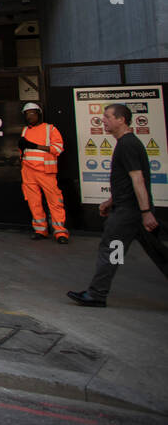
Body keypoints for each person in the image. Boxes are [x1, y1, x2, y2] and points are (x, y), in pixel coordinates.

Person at [69, 103, 158, 306]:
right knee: (158, 251)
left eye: (108, 117)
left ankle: (97, 294)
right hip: (131, 210)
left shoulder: (127, 144)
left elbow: (138, 180)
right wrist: (111, 201)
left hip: (128, 214)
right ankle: (99, 290)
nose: (103, 121)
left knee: (111, 249)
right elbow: (127, 182)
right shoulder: (127, 143)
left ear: (121, 120)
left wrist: (145, 212)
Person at [18, 101, 67, 243]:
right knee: (34, 202)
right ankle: (40, 230)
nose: (29, 117)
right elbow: (23, 152)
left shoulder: (50, 129)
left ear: (39, 114)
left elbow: (58, 149)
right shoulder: (25, 130)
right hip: (28, 172)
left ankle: (60, 232)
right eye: (27, 114)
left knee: (55, 202)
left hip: (46, 172)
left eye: (32, 113)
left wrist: (35, 145)